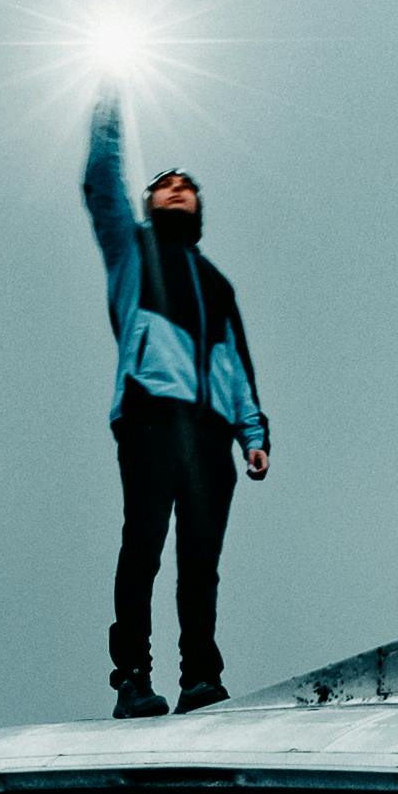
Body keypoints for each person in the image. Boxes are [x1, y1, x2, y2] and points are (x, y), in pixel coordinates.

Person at [83, 81, 269, 717]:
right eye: (165, 184)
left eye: (187, 185)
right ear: (149, 202)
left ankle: (201, 680)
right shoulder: (131, 249)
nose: (178, 189)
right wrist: (109, 105)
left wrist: (254, 434)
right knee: (143, 547)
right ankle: (133, 678)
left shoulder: (218, 283)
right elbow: (99, 187)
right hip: (149, 415)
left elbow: (238, 365)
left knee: (201, 562)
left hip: (211, 433)